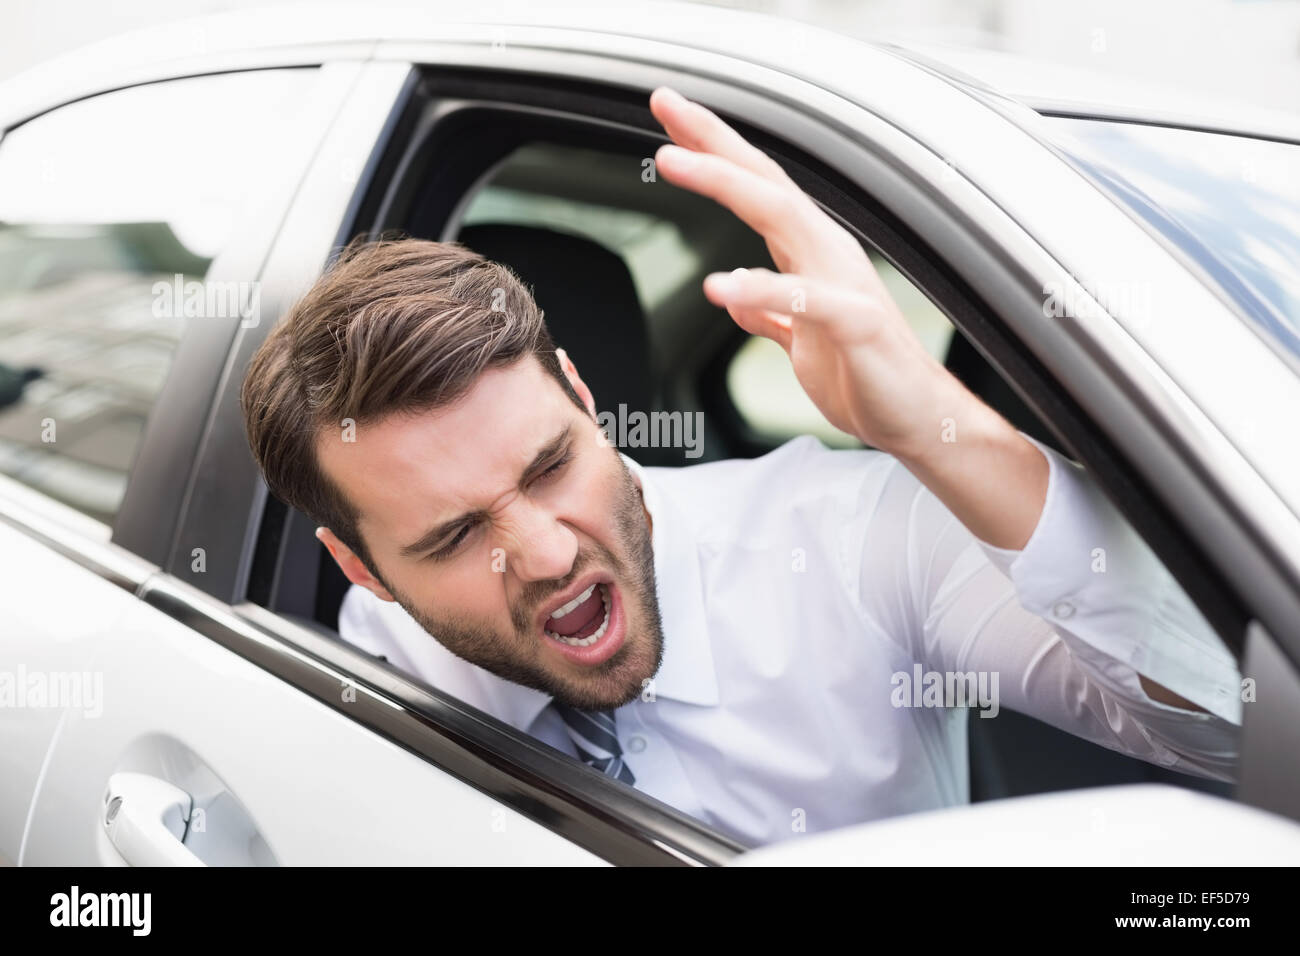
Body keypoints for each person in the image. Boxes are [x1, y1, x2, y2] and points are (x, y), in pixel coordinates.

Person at [239, 87, 1240, 847]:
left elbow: (1229, 725)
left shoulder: (855, 537)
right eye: (456, 535)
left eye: (549, 465)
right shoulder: (373, 653)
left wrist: (932, 420)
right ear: (365, 571)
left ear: (587, 403)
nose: (542, 552)